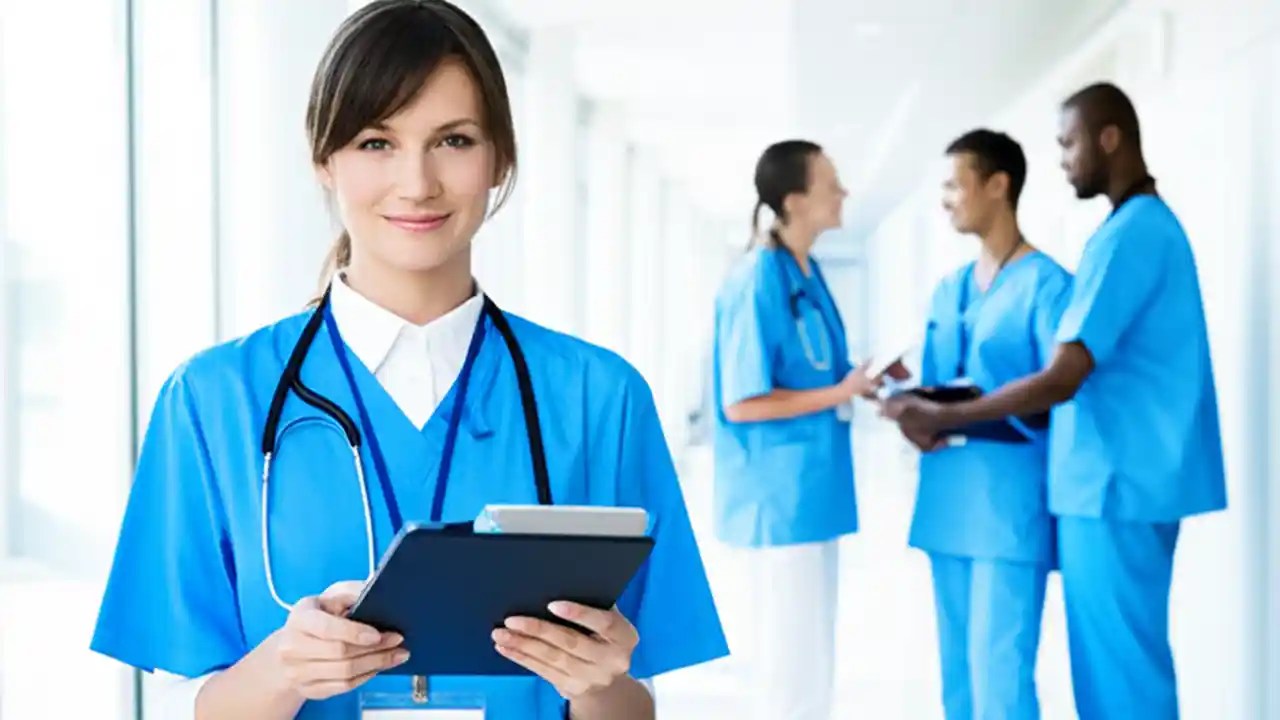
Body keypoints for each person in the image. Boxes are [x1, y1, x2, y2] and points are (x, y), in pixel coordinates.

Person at [89, 2, 727, 718]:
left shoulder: (599, 397)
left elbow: (637, 703)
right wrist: (283, 670)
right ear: (323, 160)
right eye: (375, 142)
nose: (417, 182)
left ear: (499, 158)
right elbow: (183, 705)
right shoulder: (213, 400)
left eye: (453, 140)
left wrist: (600, 681)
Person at [883, 82, 1227, 719]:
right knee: (1108, 673)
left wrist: (947, 414)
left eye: (1068, 143)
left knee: (1119, 676)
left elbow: (1063, 375)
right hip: (1106, 484)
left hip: (1116, 481)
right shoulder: (1127, 231)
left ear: (1109, 137)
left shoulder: (1129, 236)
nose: (1063, 159)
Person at [893, 129, 1071, 720]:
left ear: (999, 185)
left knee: (1001, 675)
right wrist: (905, 408)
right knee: (959, 679)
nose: (945, 198)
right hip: (949, 498)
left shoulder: (1049, 285)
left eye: (954, 183)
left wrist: (953, 411)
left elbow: (1055, 391)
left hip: (1008, 502)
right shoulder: (949, 289)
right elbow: (937, 389)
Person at [712, 139, 882, 720]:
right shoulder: (758, 277)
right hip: (779, 499)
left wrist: (862, 379)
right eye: (831, 183)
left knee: (811, 653)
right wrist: (841, 391)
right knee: (788, 661)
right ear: (795, 200)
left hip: (811, 491)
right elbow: (742, 402)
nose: (843, 193)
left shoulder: (803, 271)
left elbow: (815, 369)